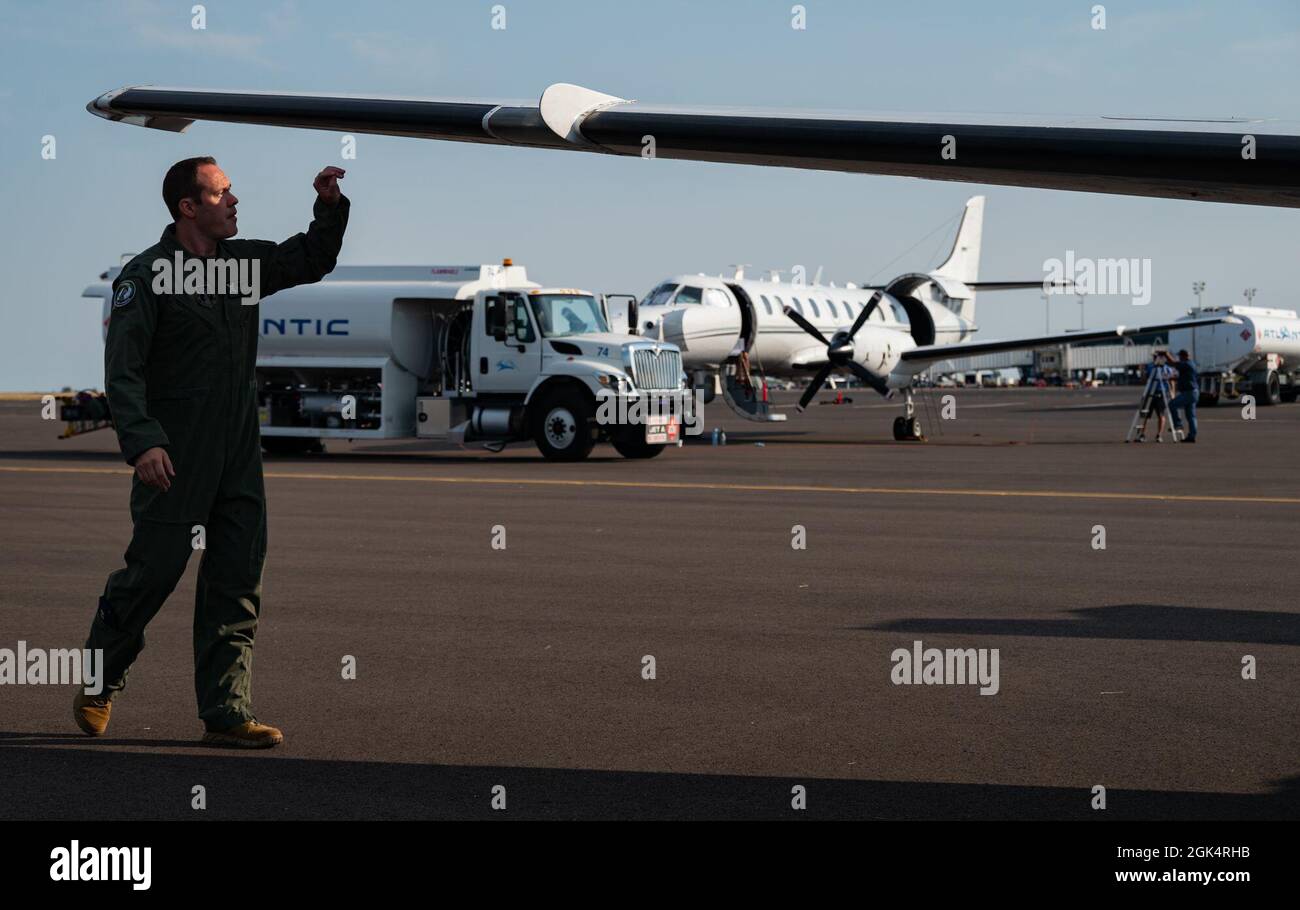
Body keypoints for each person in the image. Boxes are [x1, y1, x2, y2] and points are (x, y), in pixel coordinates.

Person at [74, 157, 350, 747]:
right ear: (188, 207)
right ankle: (98, 679)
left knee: (236, 578)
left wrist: (328, 207)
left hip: (238, 453)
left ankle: (226, 712)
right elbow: (123, 371)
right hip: (175, 455)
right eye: (222, 192)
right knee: (150, 576)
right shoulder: (145, 277)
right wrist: (143, 441)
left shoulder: (244, 264)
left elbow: (310, 258)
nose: (234, 200)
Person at [1135, 351, 1177, 442]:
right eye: (1154, 357)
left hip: (1161, 393)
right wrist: (1142, 371)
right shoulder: (1150, 366)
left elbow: (1171, 381)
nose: (1155, 358)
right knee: (1145, 415)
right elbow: (1144, 379)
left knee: (1161, 414)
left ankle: (1159, 435)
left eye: (1156, 356)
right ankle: (1142, 434)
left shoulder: (1167, 368)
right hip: (1150, 392)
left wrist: (1172, 392)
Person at [1168, 348, 1200, 443]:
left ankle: (1178, 424)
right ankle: (1192, 436)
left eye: (1180, 356)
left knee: (1172, 404)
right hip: (1193, 392)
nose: (1179, 358)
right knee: (1191, 416)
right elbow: (1185, 377)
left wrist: (1166, 355)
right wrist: (1174, 379)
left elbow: (1174, 364)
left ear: (1184, 356)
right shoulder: (1191, 364)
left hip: (1189, 392)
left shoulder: (1186, 364)